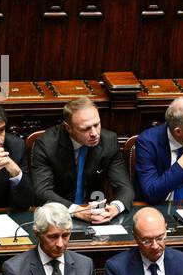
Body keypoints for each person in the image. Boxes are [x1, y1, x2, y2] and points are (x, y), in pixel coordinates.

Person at [31, 96, 134, 224]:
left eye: (96, 125)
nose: (95, 133)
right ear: (68, 128)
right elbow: (42, 191)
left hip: (96, 214)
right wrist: (77, 211)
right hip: (57, 215)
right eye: (85, 128)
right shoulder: (46, 145)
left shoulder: (108, 141)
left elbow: (125, 187)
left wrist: (114, 209)